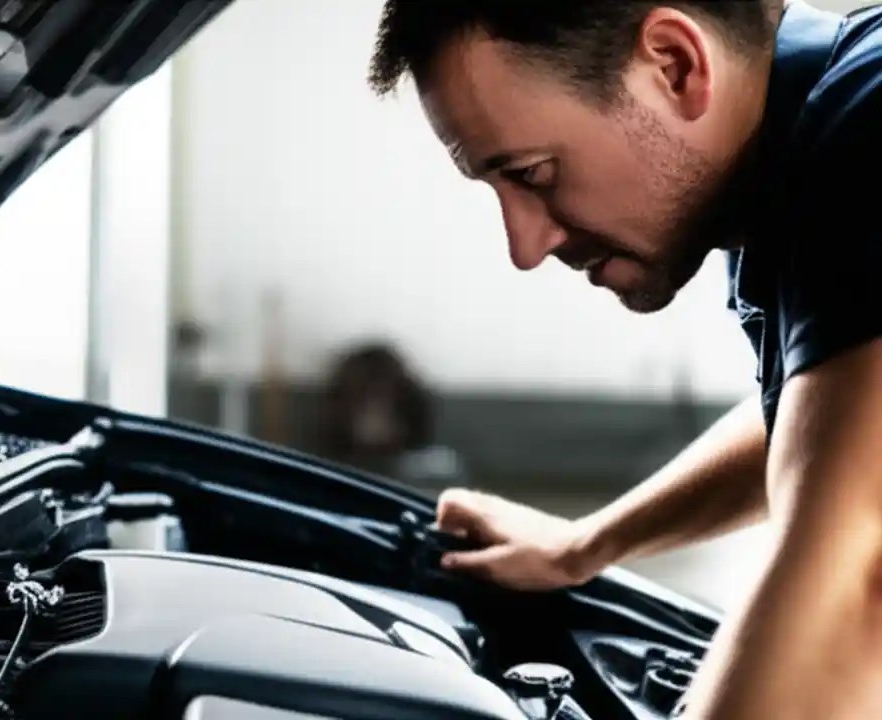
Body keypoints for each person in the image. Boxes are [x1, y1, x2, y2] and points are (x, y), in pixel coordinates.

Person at [367, 1, 882, 717]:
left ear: (674, 65)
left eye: (533, 173)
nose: (524, 245)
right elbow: (829, 425)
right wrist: (586, 545)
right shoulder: (800, 159)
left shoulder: (869, 129)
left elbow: (856, 572)